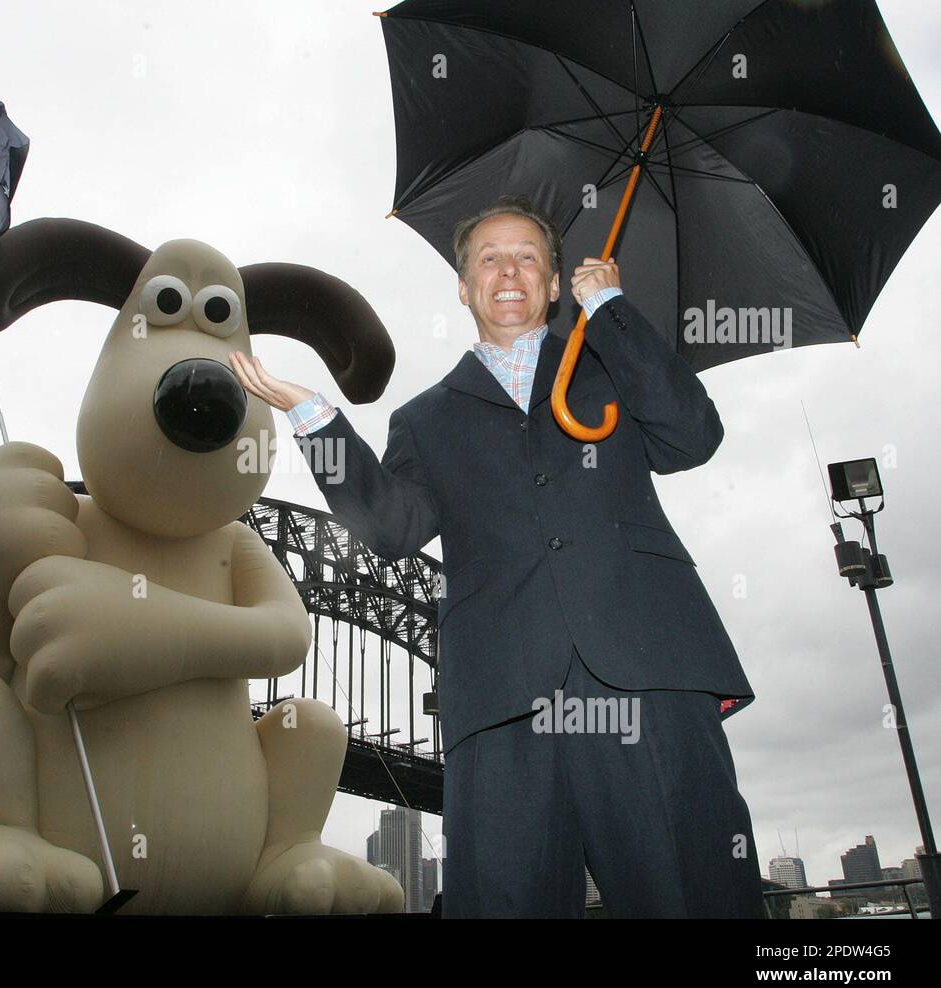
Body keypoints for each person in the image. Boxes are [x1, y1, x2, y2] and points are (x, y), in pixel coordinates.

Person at [229, 194, 764, 918]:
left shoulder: (615, 366)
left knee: (690, 890)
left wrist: (611, 311)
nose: (507, 270)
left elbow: (692, 437)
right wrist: (312, 414)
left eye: (527, 258)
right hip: (502, 696)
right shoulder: (424, 418)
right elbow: (391, 528)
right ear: (463, 284)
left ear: (553, 283)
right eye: (489, 257)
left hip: (646, 675)